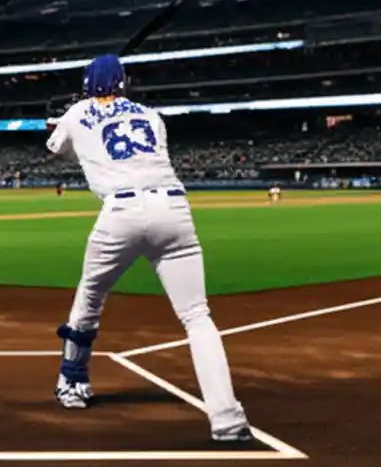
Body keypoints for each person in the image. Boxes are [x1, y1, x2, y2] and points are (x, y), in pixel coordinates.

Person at [44, 54, 251, 442]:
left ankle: (73, 384)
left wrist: (66, 121)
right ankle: (227, 418)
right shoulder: (152, 116)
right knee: (197, 315)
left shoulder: (77, 111)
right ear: (125, 83)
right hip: (174, 209)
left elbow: (56, 147)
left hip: (121, 212)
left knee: (90, 296)